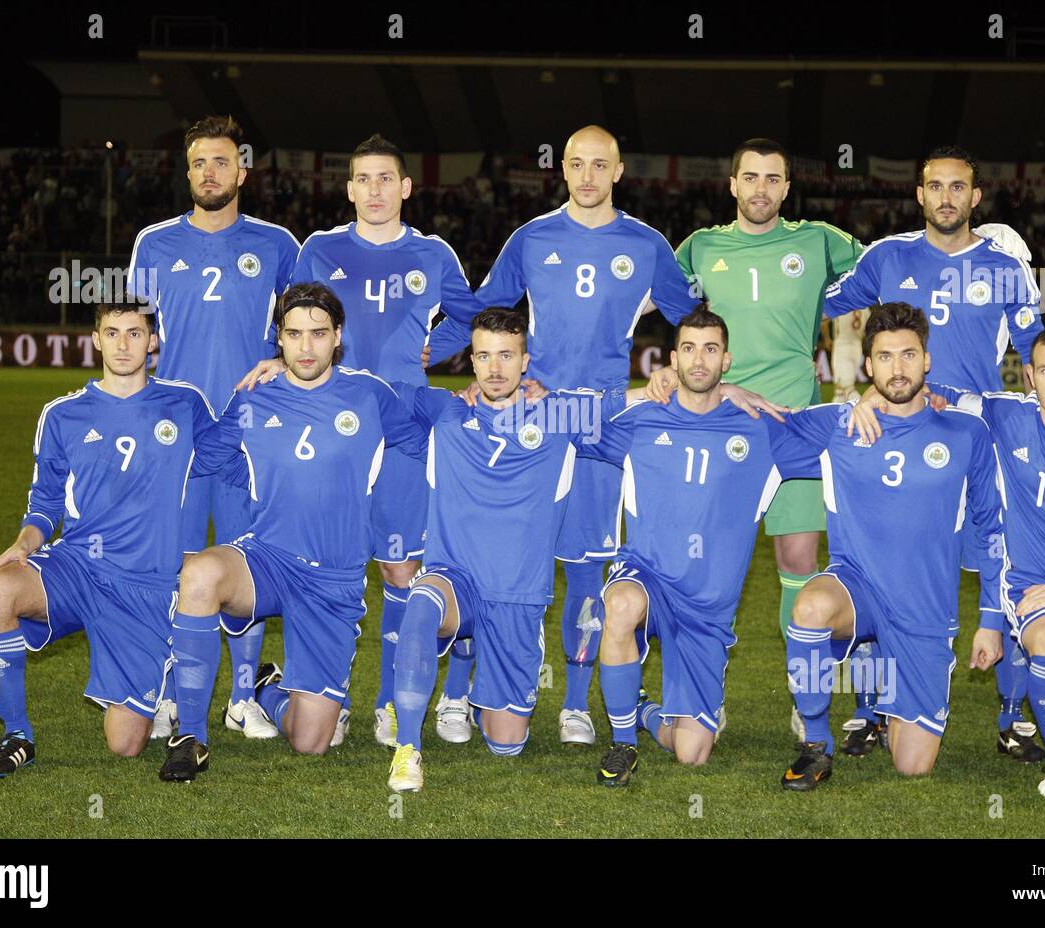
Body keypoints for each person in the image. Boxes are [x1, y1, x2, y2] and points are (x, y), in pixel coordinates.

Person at [240, 134, 479, 748]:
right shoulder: (320, 249)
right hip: (327, 429)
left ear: (406, 187)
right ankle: (323, 693)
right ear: (349, 189)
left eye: (386, 179)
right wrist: (278, 360)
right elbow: (293, 315)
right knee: (321, 560)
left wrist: (435, 350)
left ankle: (388, 703)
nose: (375, 190)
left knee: (400, 567)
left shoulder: (432, 254)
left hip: (398, 427)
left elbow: (469, 318)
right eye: (363, 179)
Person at [464, 125, 700, 745]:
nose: (588, 176)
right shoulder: (531, 237)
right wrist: (431, 356)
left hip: (602, 423)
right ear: (563, 169)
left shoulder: (646, 244)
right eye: (577, 164)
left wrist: (682, 369)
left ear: (618, 171)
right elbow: (484, 310)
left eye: (600, 165)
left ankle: (574, 705)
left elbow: (693, 321)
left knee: (587, 572)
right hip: (534, 420)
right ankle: (475, 690)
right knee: (501, 564)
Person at [858, 325, 1045, 799]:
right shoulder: (1004, 415)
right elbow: (926, 389)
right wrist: (869, 397)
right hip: (1030, 586)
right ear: (1030, 377)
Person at [821, 145, 1045, 761]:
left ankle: (1012, 717)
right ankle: (869, 709)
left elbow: (1037, 353)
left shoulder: (1005, 266)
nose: (947, 197)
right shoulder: (886, 256)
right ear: (919, 195)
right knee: (879, 565)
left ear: (976, 197)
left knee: (1009, 564)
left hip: (977, 436)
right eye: (935, 186)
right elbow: (817, 303)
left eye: (958, 187)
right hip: (899, 434)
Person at [161, 283, 425, 781]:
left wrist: (492, 398)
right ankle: (190, 737)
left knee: (312, 742)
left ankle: (267, 689)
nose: (306, 347)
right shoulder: (253, 397)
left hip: (333, 580)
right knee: (198, 574)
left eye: (318, 334)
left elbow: (425, 436)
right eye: (294, 334)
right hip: (268, 559)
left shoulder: (371, 394)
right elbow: (206, 457)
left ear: (338, 336)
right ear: (278, 338)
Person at [652, 138, 863, 740]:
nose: (761, 189)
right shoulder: (701, 247)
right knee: (706, 567)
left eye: (773, 179)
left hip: (796, 428)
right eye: (750, 177)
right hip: (720, 430)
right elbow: (653, 302)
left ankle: (808, 699)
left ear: (787, 188)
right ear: (732, 184)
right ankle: (703, 696)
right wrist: (672, 372)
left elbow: (889, 274)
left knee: (799, 563)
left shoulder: (819, 241)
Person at [385, 307, 629, 791]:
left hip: (517, 595)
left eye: (506, 356)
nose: (494, 368)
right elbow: (365, 389)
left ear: (525, 361)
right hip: (454, 579)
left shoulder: (556, 415)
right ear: (471, 360)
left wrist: (718, 390)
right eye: (483, 356)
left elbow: (632, 401)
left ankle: (478, 686)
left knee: (507, 743)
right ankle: (407, 750)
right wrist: (282, 365)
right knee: (420, 603)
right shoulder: (446, 410)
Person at [0, 305, 218, 777]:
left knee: (125, 745)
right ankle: (16, 734)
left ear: (153, 342)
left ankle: (164, 678)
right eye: (112, 332)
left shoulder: (184, 403)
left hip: (144, 585)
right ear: (95, 340)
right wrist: (24, 543)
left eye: (135, 333)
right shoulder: (62, 414)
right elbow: (45, 501)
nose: (123, 344)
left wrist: (278, 375)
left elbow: (230, 452)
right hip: (78, 567)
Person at [779, 303, 1004, 791]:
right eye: (884, 357)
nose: (897, 368)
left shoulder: (965, 432)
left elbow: (991, 529)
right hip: (856, 587)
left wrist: (991, 620)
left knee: (912, 766)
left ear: (927, 360)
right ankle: (816, 743)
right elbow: (764, 424)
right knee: (811, 606)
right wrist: (724, 389)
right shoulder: (839, 424)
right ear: (868, 365)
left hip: (924, 608)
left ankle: (881, 685)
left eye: (908, 355)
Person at [127, 115, 300, 742]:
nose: (209, 172)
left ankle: (242, 695)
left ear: (242, 172)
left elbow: (308, 327)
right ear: (187, 171)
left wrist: (283, 362)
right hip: (173, 436)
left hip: (249, 433)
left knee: (244, 564)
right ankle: (170, 691)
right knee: (169, 566)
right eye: (199, 162)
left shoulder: (277, 244)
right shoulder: (153, 243)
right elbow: (134, 337)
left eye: (221, 161)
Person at [588, 307, 812, 787]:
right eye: (688, 349)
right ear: (672, 359)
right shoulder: (641, 419)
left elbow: (841, 433)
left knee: (692, 754)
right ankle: (623, 741)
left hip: (706, 609)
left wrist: (872, 403)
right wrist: (631, 392)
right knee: (620, 604)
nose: (699, 360)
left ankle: (644, 712)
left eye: (710, 350)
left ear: (725, 361)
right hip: (648, 576)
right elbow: (566, 419)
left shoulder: (760, 427)